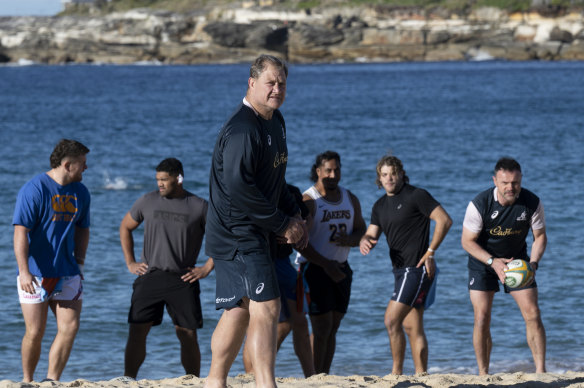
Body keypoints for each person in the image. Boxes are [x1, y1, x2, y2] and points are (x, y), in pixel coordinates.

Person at [204, 54, 307, 388]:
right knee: (267, 306)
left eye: (282, 83)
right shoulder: (242, 129)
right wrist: (281, 224)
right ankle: (266, 383)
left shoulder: (276, 122)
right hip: (237, 233)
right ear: (252, 83)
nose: (276, 89)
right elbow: (239, 187)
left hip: (251, 229)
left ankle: (214, 381)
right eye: (270, 83)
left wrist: (295, 214)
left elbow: (273, 180)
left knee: (239, 310)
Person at [119, 158, 213, 379]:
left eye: (164, 179)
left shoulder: (199, 206)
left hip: (183, 278)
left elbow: (223, 237)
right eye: (157, 180)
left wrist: (208, 267)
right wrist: (130, 262)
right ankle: (127, 379)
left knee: (187, 334)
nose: (159, 184)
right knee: (137, 330)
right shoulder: (146, 201)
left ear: (179, 178)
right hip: (150, 276)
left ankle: (192, 380)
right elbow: (125, 227)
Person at [359, 155, 452, 375]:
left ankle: (396, 373)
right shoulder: (379, 206)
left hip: (417, 269)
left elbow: (444, 220)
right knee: (412, 325)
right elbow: (371, 233)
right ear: (379, 179)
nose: (389, 178)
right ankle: (422, 375)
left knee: (391, 320)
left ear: (401, 173)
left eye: (393, 173)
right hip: (399, 271)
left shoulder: (416, 195)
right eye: (384, 175)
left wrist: (430, 252)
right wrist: (364, 241)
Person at [13, 139, 90, 382]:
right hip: (35, 274)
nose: (86, 168)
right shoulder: (34, 189)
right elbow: (20, 232)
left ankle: (51, 381)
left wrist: (79, 264)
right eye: (82, 164)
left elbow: (82, 229)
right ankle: (27, 380)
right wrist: (23, 271)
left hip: (68, 272)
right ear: (68, 165)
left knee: (70, 328)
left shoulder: (81, 192)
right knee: (35, 332)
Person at [461, 157, 547, 375]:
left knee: (533, 313)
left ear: (521, 180)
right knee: (482, 317)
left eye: (515, 183)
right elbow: (466, 242)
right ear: (495, 181)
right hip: (483, 262)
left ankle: (541, 371)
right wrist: (492, 262)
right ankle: (483, 374)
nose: (510, 188)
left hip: (517, 262)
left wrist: (533, 264)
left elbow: (540, 236)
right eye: (505, 183)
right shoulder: (480, 204)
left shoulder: (531, 202)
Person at [296, 150, 366, 374]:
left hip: (342, 268)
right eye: (328, 170)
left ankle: (324, 375)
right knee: (320, 326)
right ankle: (313, 375)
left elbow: (361, 229)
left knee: (333, 326)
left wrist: (352, 239)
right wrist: (326, 265)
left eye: (337, 170)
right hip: (315, 268)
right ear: (318, 171)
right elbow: (299, 243)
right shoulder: (309, 200)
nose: (333, 174)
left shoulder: (349, 198)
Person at [242, 184, 315, 378]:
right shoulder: (252, 190)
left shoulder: (289, 191)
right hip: (259, 260)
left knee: (299, 321)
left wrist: (298, 231)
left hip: (284, 262)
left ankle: (311, 375)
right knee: (262, 321)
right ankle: (253, 374)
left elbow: (306, 218)